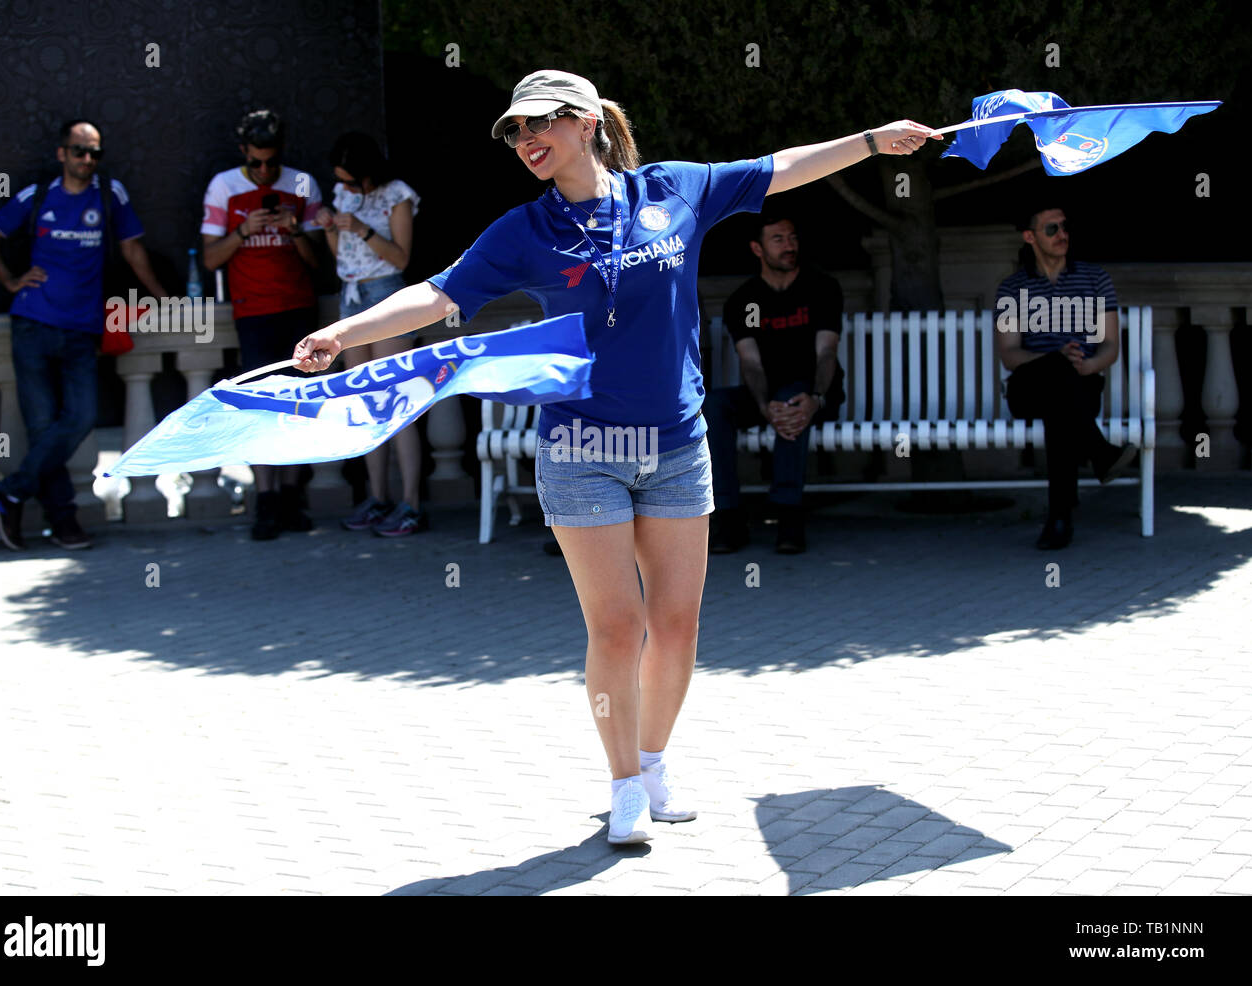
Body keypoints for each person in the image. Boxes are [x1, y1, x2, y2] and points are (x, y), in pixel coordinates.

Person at [291, 70, 938, 845]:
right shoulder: (525, 230)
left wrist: (873, 142)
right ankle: (624, 781)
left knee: (678, 624)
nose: (526, 141)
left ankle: (655, 761)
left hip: (674, 443)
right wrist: (341, 335)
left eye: (539, 125)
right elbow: (438, 295)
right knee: (618, 627)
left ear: (586, 121)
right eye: (516, 133)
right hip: (580, 447)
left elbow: (784, 166)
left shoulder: (676, 191)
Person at [0, 119, 167, 551]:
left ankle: (12, 491)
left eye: (95, 153)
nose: (87, 160)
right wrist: (9, 280)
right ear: (62, 153)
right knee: (43, 427)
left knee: (80, 418)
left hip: (82, 328)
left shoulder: (109, 193)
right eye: (79, 151)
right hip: (32, 323)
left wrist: (166, 300)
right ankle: (63, 522)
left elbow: (133, 251)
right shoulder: (37, 195)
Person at [201, 109, 323, 540]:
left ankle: (292, 496)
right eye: (256, 163)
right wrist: (241, 232)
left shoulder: (302, 183)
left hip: (299, 308)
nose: (266, 171)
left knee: (298, 403)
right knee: (260, 406)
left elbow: (319, 262)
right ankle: (266, 499)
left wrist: (294, 233)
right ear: (243, 154)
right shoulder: (223, 186)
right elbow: (210, 258)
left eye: (273, 162)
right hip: (252, 311)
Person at [995, 205, 1137, 550]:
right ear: (1030, 237)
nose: (1062, 234)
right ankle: (1099, 455)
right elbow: (1010, 355)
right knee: (1057, 380)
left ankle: (1060, 520)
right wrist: (1054, 359)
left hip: (1082, 382)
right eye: (1051, 229)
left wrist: (1088, 365)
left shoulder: (1094, 278)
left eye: (1065, 227)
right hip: (1030, 387)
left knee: (1061, 408)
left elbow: (1110, 346)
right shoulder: (1012, 288)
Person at [705, 214, 845, 554]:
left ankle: (788, 514)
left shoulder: (822, 287)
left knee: (792, 400)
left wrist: (815, 396)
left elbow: (826, 353)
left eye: (792, 237)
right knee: (714, 406)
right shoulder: (744, 300)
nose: (789, 246)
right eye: (778, 239)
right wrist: (765, 405)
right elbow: (750, 362)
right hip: (765, 395)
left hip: (817, 395)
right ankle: (728, 515)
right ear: (757, 248)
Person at [314, 132, 425, 537]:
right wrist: (331, 228)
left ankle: (411, 503)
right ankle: (378, 498)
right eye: (338, 181)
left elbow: (400, 258)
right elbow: (340, 255)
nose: (342, 187)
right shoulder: (343, 194)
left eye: (348, 180)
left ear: (366, 174)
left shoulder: (397, 194)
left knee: (396, 399)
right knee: (363, 402)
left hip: (385, 293)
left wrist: (360, 229)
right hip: (352, 293)